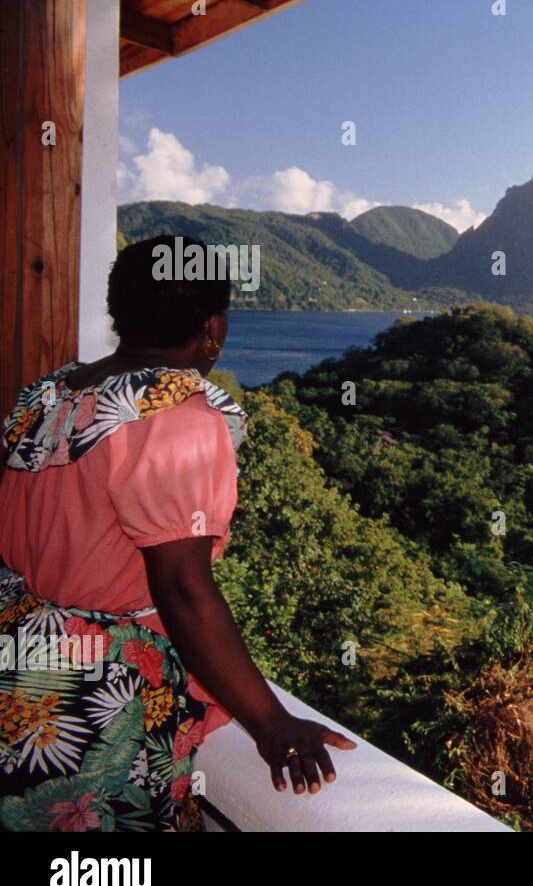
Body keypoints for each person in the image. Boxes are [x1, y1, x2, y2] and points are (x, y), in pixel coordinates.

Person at [0, 235, 354, 832]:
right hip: (96, 691)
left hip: (21, 656)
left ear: (120, 313)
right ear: (212, 326)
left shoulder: (51, 393)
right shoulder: (176, 417)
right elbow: (184, 588)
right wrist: (271, 723)